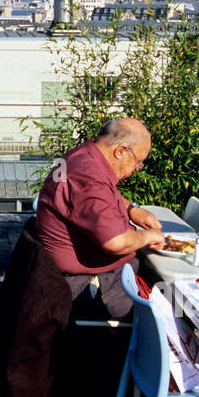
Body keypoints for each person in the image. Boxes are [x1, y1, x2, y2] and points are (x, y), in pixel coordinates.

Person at [34, 117, 166, 319]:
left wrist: (132, 209)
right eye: (138, 162)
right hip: (87, 287)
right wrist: (148, 236)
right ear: (120, 151)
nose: (135, 170)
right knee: (172, 303)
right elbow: (115, 242)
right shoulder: (89, 176)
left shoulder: (82, 157)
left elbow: (100, 196)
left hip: (76, 276)